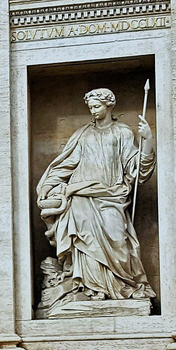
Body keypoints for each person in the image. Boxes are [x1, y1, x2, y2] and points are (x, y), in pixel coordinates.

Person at [36, 87, 155, 307]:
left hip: (111, 194)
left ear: (109, 106)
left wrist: (147, 141)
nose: (93, 111)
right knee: (84, 241)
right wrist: (49, 184)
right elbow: (66, 163)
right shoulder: (82, 134)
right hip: (81, 194)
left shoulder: (122, 132)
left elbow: (135, 168)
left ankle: (121, 285)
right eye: (90, 107)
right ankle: (90, 288)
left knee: (117, 238)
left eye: (97, 106)